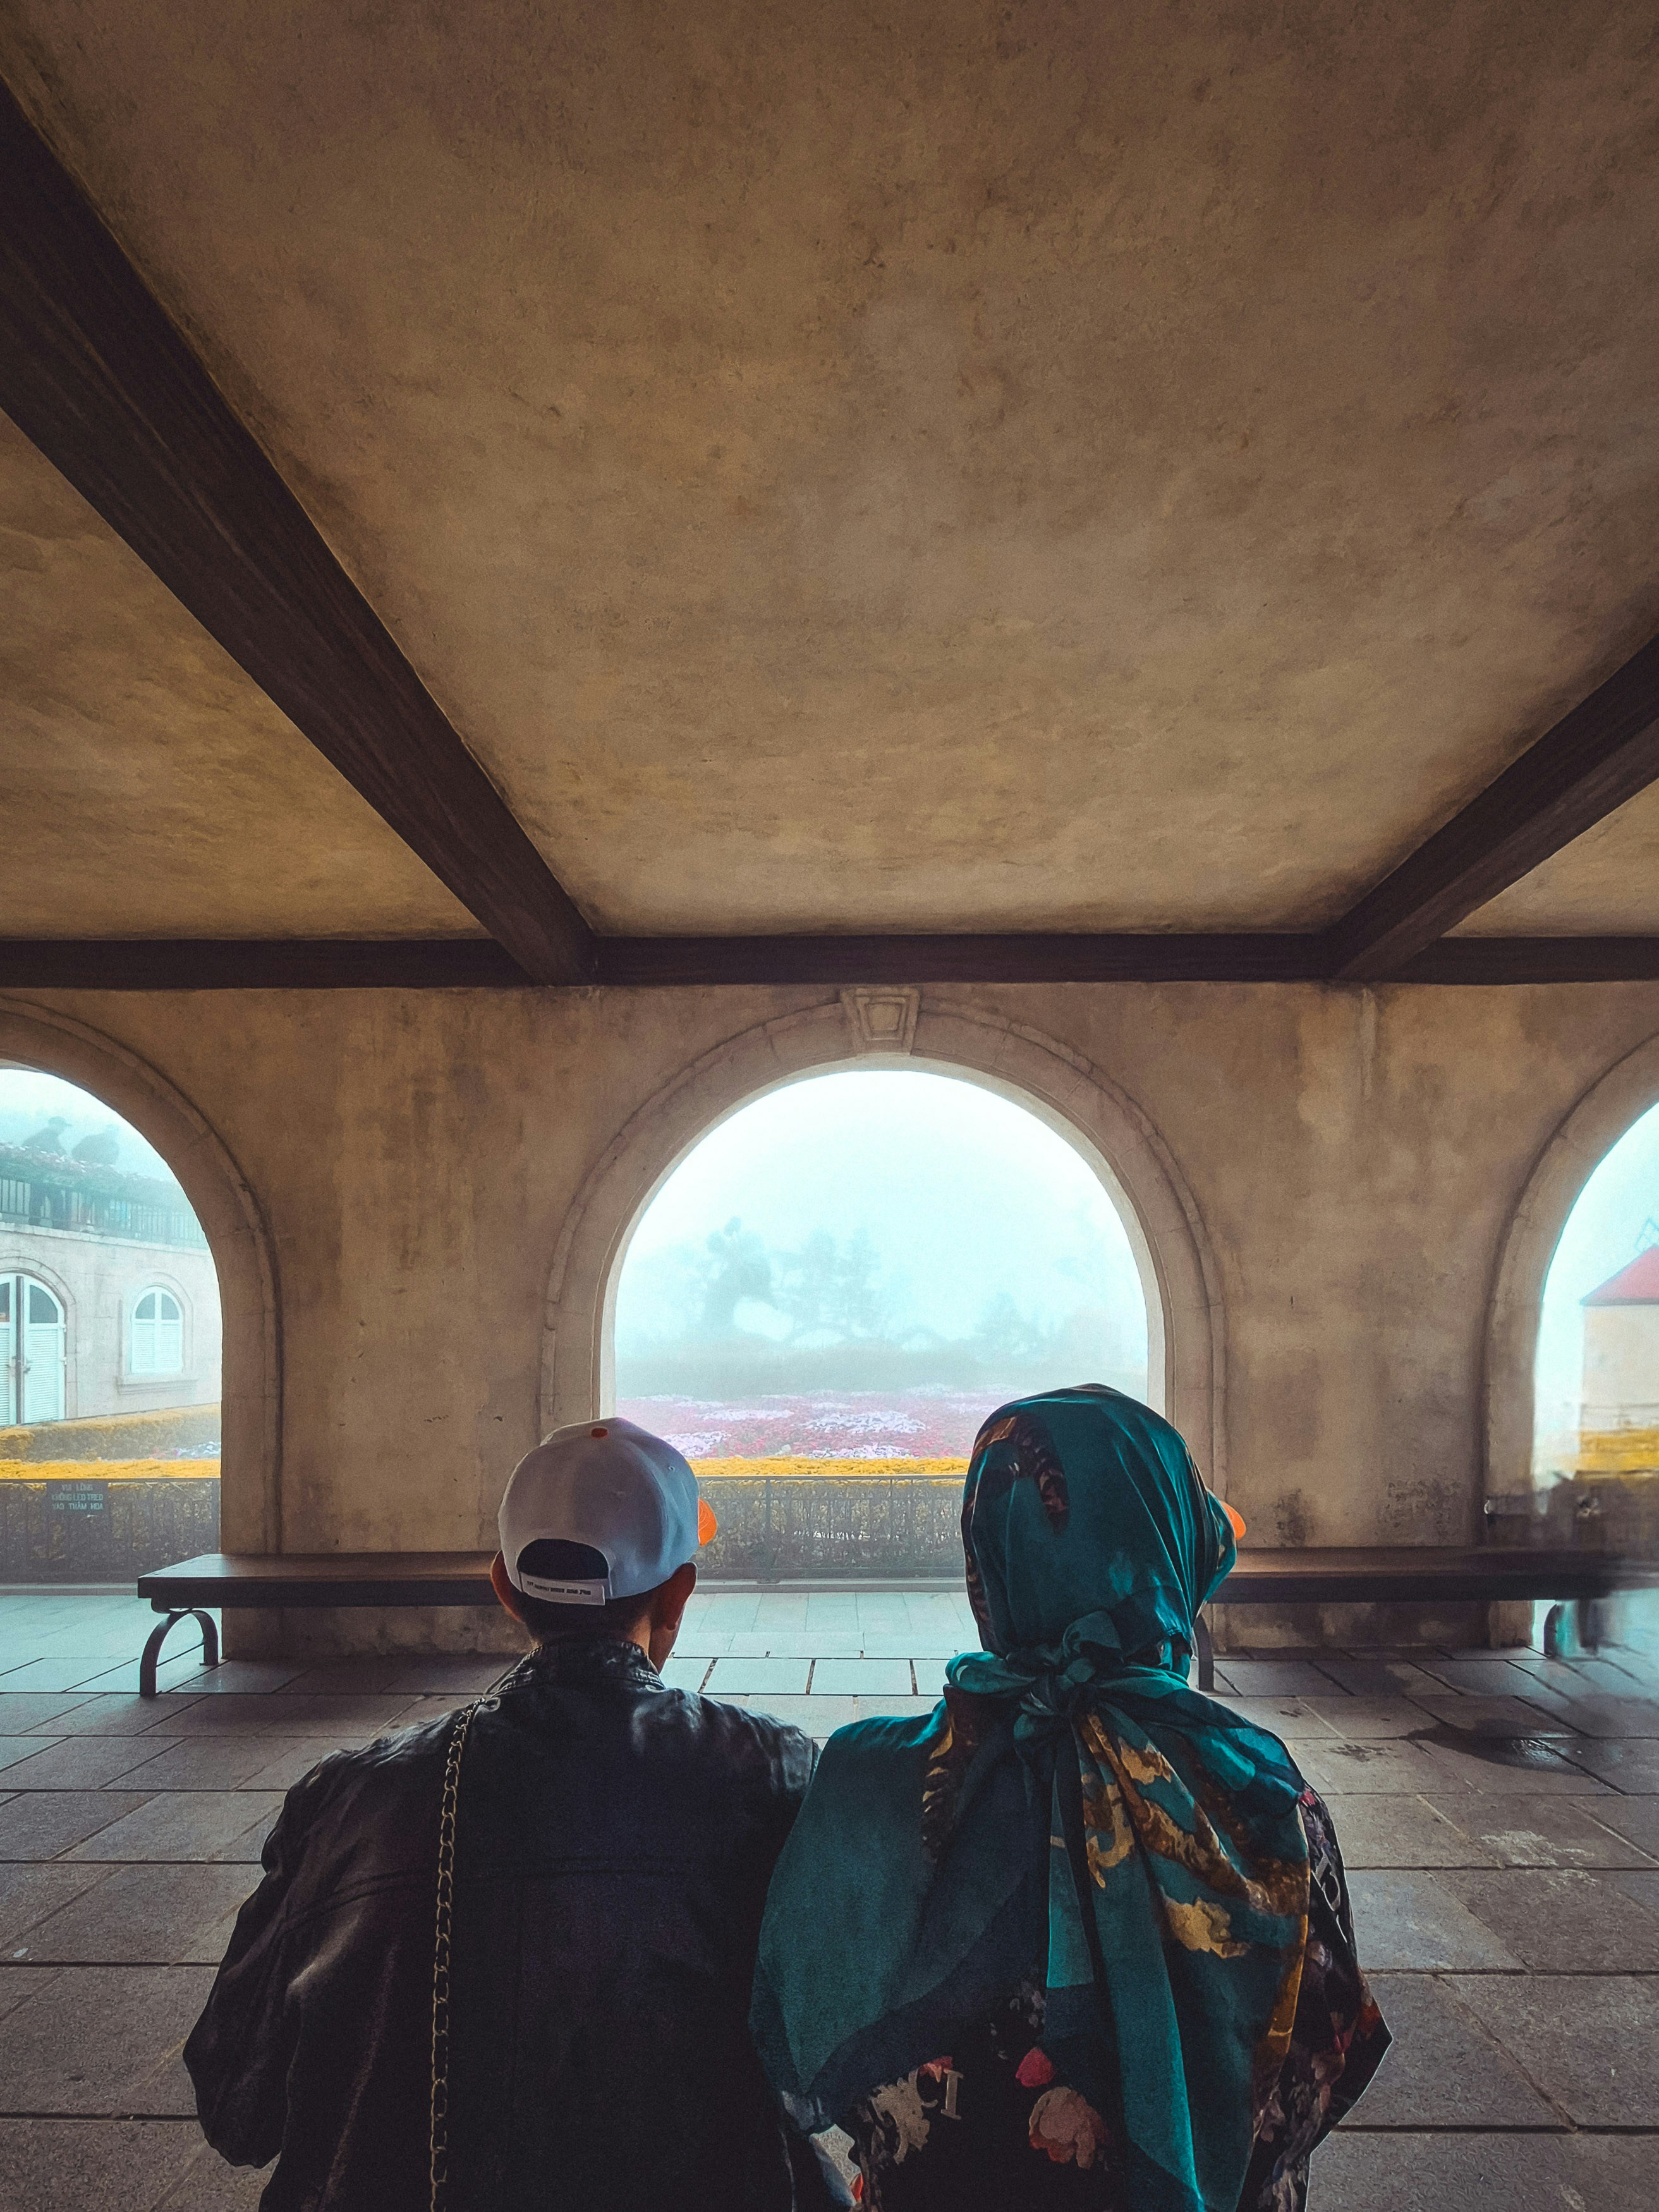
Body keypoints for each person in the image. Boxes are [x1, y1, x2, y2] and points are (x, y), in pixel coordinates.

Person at [751, 1385, 1389, 2212]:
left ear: (985, 1555)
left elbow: (810, 2044)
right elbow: (1313, 2071)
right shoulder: (1258, 1799)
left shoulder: (860, 1781)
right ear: (1165, 1543)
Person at [187, 1418, 833, 2211]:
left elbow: (237, 2105)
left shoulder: (349, 1798)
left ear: (503, 1584)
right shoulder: (771, 1774)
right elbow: (828, 2071)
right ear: (678, 1592)